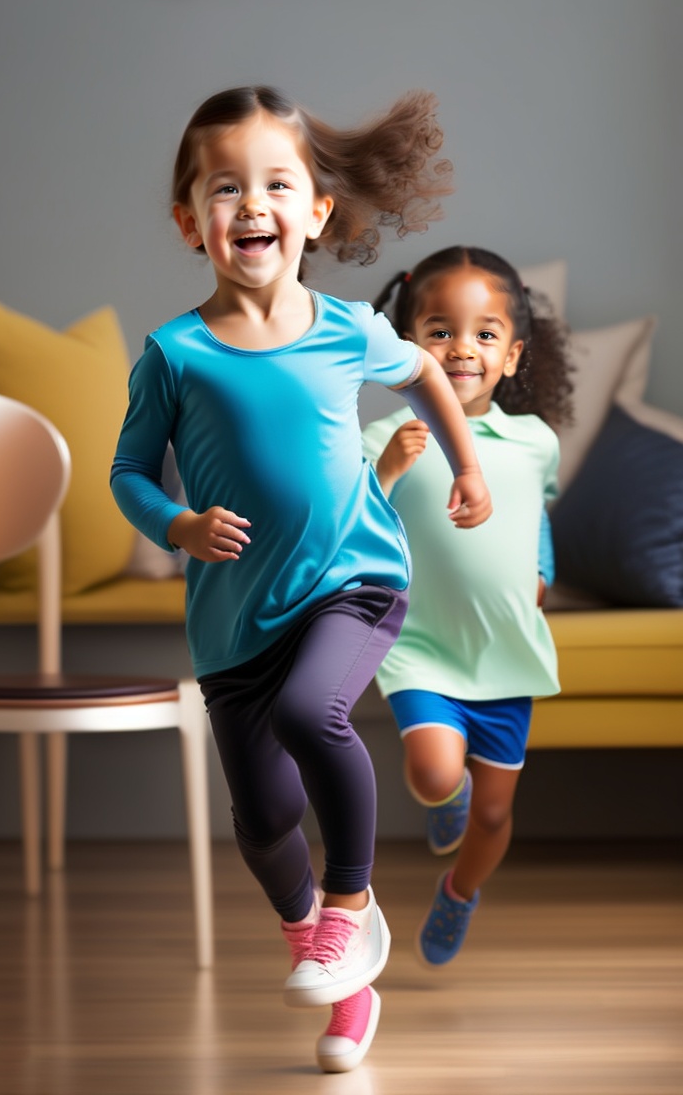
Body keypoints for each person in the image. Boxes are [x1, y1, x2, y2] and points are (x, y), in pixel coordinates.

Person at [110, 87, 492, 1073]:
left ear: (314, 211)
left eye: (277, 183)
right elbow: (127, 476)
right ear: (191, 221)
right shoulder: (173, 354)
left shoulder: (345, 328)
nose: (253, 204)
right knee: (264, 818)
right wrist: (179, 523)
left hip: (352, 581)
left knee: (310, 713)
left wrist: (469, 465)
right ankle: (337, 967)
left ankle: (352, 899)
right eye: (226, 187)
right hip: (235, 621)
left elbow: (423, 375)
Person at [362, 246, 573, 968]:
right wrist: (387, 468)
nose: (461, 349)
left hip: (504, 652)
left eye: (484, 334)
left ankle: (460, 891)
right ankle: (441, 796)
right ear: (405, 347)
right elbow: (348, 528)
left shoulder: (535, 442)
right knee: (431, 773)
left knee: (492, 815)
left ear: (512, 356)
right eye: (439, 330)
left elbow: (537, 516)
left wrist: (542, 571)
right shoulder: (384, 439)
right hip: (419, 644)